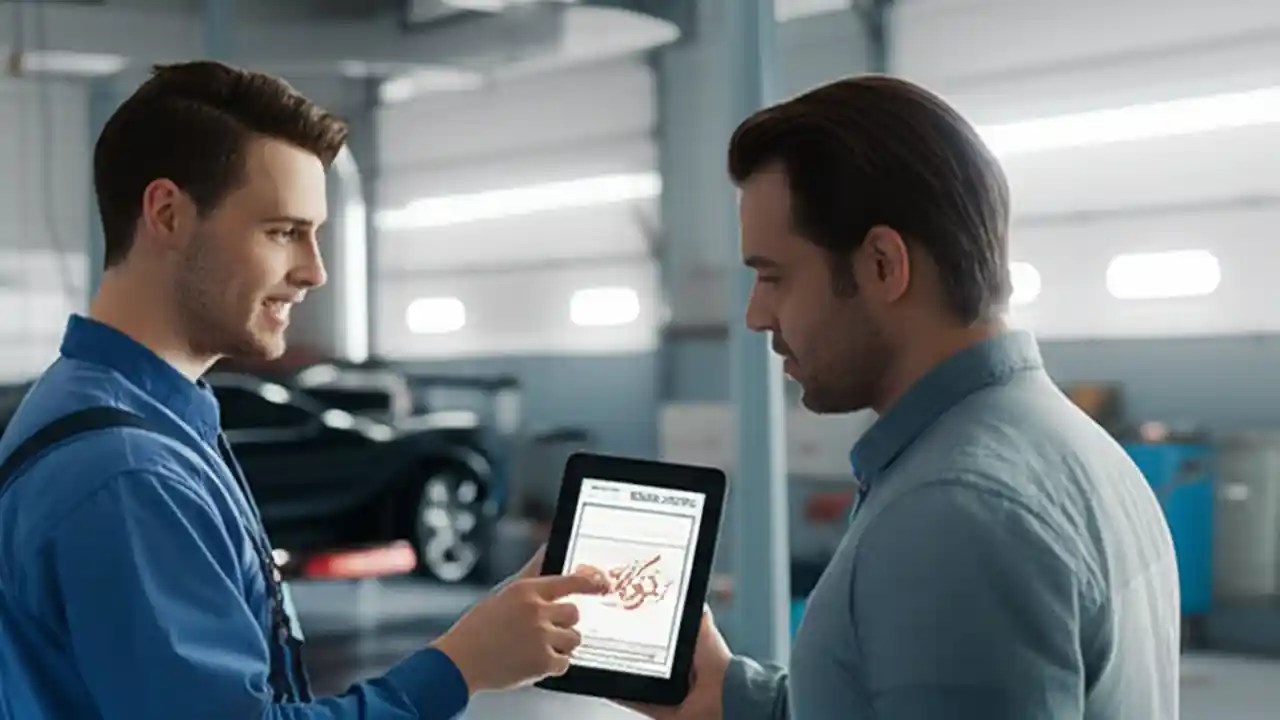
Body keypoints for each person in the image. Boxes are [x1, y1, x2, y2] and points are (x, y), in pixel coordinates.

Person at [0, 61, 608, 720]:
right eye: (283, 231)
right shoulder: (128, 472)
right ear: (168, 214)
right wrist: (460, 667)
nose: (314, 271)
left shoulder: (121, 412)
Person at [630, 76, 1179, 719]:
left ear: (884, 265)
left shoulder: (954, 513)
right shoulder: (1067, 446)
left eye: (774, 277)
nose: (756, 315)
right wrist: (735, 703)